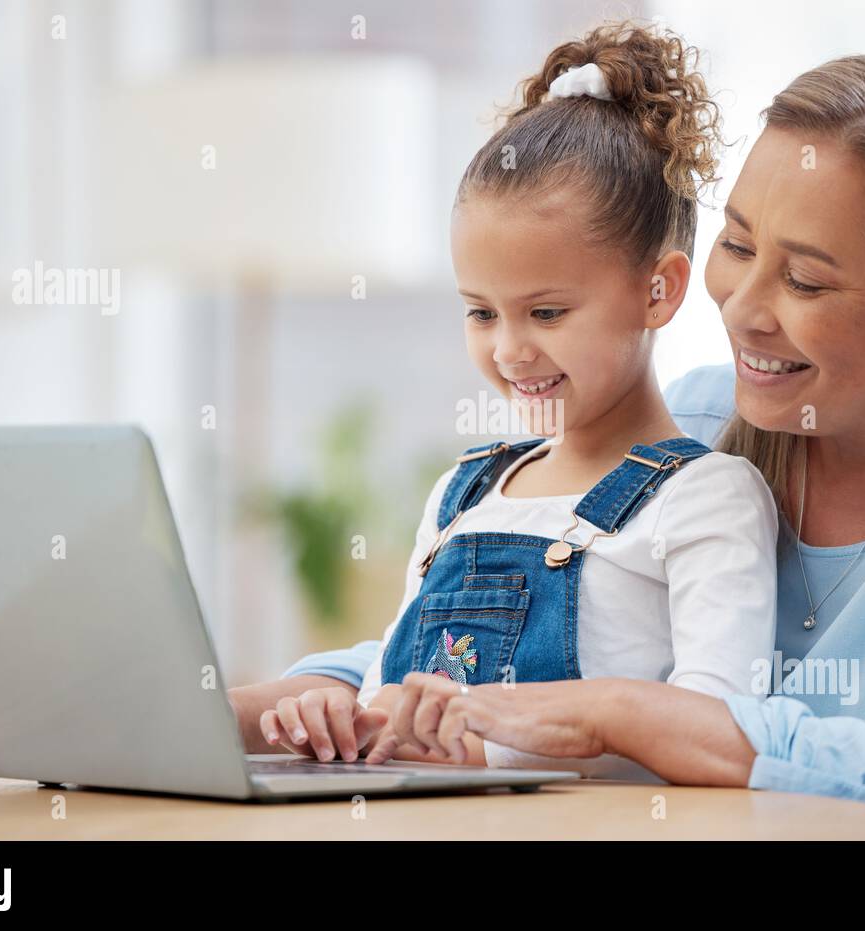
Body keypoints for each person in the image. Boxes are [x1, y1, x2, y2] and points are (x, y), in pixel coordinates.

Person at [252, 22, 779, 778]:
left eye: (547, 312)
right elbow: (390, 706)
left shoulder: (706, 498)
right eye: (481, 311)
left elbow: (717, 734)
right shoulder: (460, 494)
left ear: (658, 291)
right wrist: (340, 720)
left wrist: (493, 742)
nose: (509, 350)